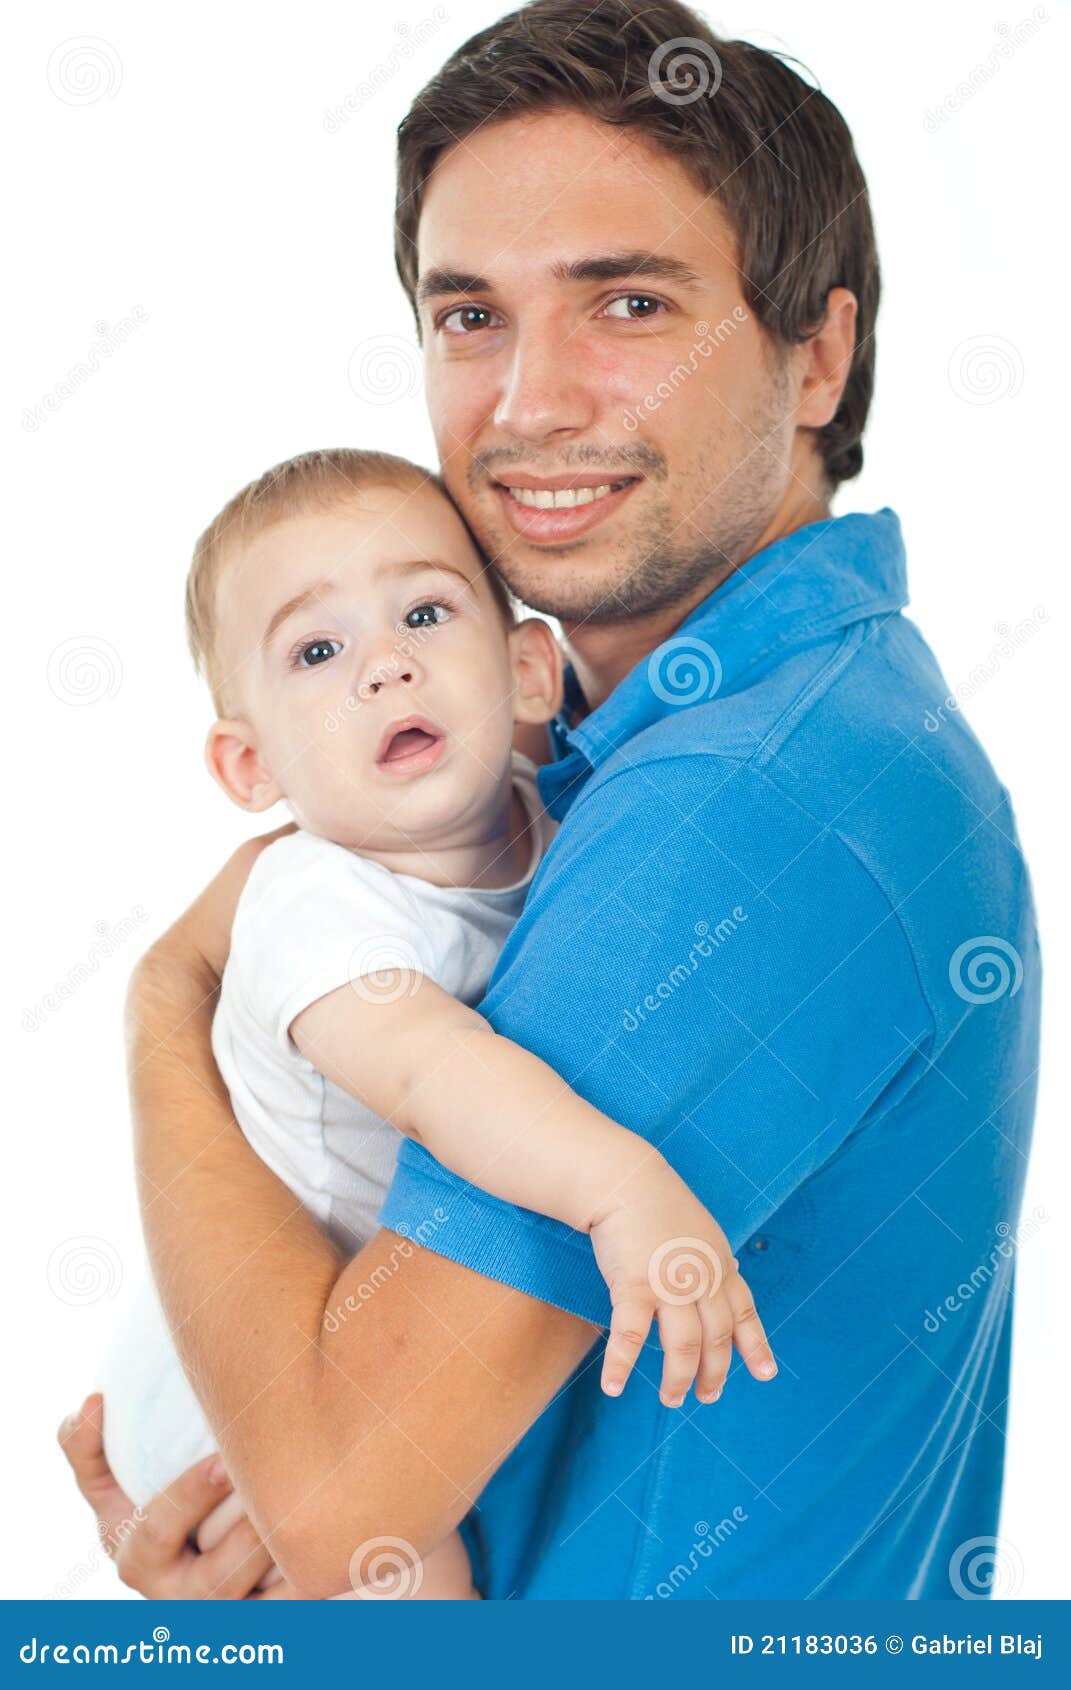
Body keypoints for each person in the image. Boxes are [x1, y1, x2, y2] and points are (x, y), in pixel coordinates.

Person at [61, 0, 1039, 1600]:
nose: (526, 402)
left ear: (813, 357)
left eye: (627, 303)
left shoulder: (737, 797)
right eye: (467, 318)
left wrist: (170, 1000)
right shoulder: (628, 752)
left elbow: (336, 1507)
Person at [94, 444, 774, 1600]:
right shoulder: (309, 904)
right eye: (318, 650)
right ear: (250, 765)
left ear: (523, 671)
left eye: (423, 611)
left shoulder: (554, 822)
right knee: (406, 1572)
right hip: (224, 1396)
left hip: (367, 1331)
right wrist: (618, 1187)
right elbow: (439, 1075)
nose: (386, 668)